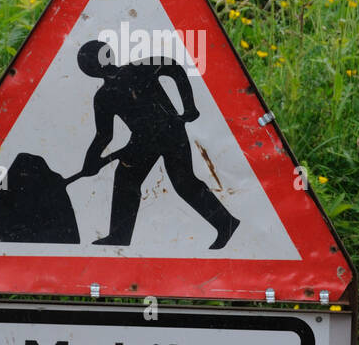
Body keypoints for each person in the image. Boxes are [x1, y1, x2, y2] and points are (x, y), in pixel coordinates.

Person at [76, 39, 240, 250]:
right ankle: (119, 236)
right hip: (143, 140)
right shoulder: (104, 96)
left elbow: (174, 68)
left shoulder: (135, 71)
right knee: (127, 180)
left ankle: (225, 222)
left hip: (170, 130)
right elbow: (104, 135)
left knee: (183, 183)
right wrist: (90, 161)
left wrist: (189, 107)